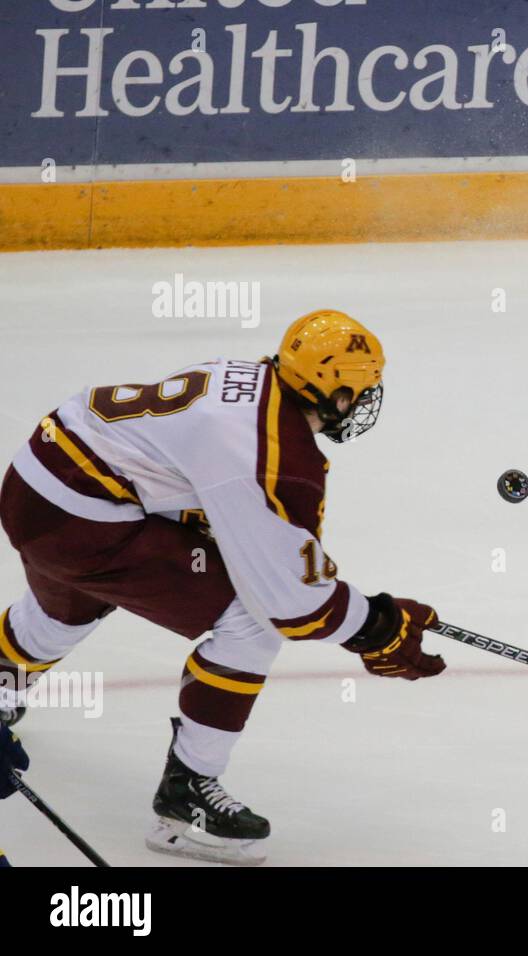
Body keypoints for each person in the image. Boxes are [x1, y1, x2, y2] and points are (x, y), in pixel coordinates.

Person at [0, 310, 446, 865]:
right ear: (338, 394)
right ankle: (187, 800)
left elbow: (194, 475)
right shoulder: (276, 458)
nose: (369, 398)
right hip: (83, 516)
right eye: (365, 388)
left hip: (38, 481)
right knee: (250, 622)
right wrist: (376, 625)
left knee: (69, 602)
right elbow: (291, 604)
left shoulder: (249, 377)